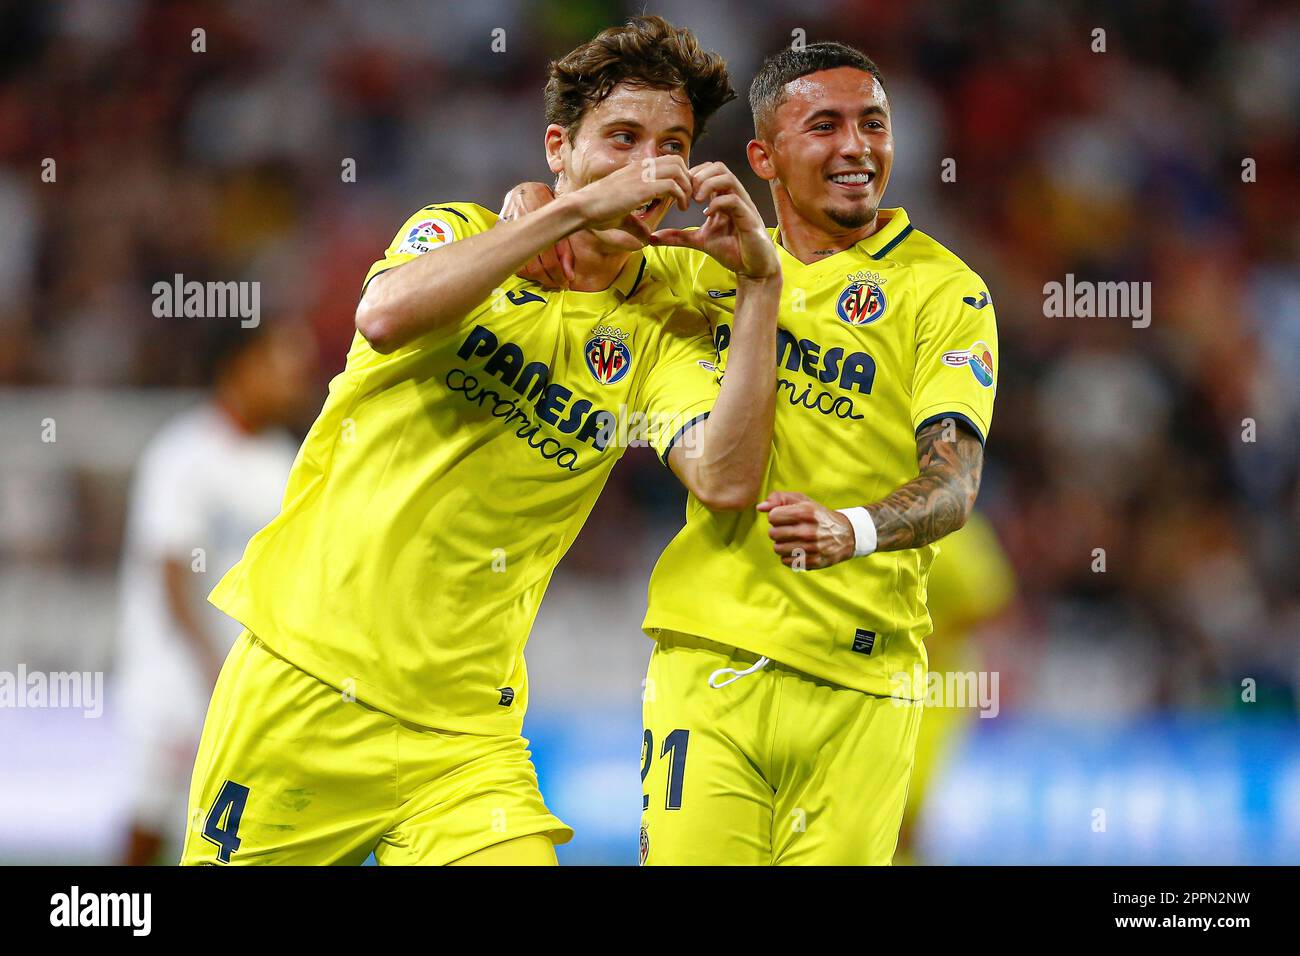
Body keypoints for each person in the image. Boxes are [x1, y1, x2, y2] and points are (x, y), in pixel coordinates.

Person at [180, 15, 781, 866]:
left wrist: (760, 290)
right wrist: (559, 218)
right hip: (304, 683)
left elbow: (723, 481)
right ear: (557, 150)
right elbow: (382, 317)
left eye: (671, 145)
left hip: (466, 740)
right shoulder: (458, 232)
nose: (648, 167)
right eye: (621, 139)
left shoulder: (654, 330)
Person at [506, 41, 999, 865]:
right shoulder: (698, 267)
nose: (856, 147)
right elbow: (576, 236)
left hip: (861, 685)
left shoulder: (946, 291)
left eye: (873, 124)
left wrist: (854, 528)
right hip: (708, 664)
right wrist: (528, 199)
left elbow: (954, 483)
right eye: (826, 126)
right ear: (763, 157)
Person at [116, 320, 309, 865]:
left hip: (244, 675)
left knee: (226, 833)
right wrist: (210, 667)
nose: (295, 378)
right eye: (280, 362)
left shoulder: (284, 461)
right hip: (177, 672)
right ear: (239, 368)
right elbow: (173, 572)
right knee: (150, 821)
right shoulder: (184, 453)